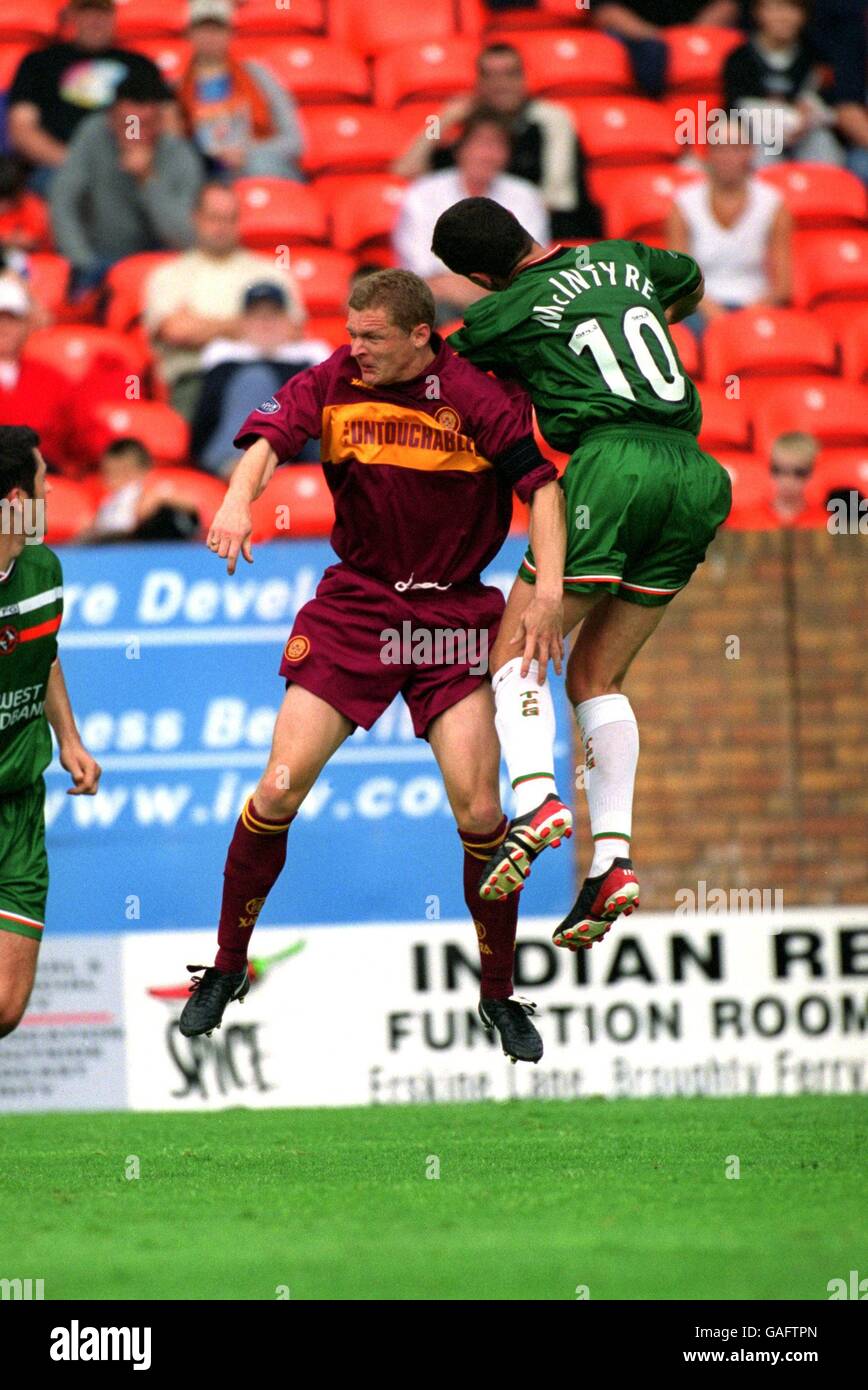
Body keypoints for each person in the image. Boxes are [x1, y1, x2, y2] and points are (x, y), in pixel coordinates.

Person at [177, 268, 566, 1065]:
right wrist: (236, 499)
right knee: (278, 786)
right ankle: (224, 967)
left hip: (454, 615)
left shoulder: (479, 398)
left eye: (373, 338)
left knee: (481, 813)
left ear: (423, 336)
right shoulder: (336, 378)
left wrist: (550, 590)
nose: (356, 349)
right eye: (352, 334)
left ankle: (498, 994)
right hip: (356, 607)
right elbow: (265, 440)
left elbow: (545, 491)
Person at [431, 198, 732, 949]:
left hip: (611, 466)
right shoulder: (627, 257)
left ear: (476, 275)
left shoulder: (506, 310)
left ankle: (534, 800)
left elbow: (440, 371)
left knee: (516, 651)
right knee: (596, 676)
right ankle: (615, 861)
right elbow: (689, 280)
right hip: (697, 474)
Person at [0, 425, 102, 1037]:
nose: (50, 492)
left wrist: (69, 738)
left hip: (18, 806)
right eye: (42, 482)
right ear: (16, 501)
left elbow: (45, 652)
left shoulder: (42, 568)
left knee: (6, 1008)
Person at [392, 42, 600, 241]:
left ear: (525, 77)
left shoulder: (552, 119)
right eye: (489, 76)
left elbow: (557, 200)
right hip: (473, 234)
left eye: (510, 74)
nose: (500, 84)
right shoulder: (468, 127)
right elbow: (407, 169)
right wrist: (444, 119)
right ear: (478, 82)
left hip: (541, 233)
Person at [144, 182, 305, 420]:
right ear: (195, 218)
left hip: (274, 375)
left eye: (230, 219)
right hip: (198, 381)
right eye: (214, 218)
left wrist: (203, 325)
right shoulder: (169, 274)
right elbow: (177, 331)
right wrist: (250, 326)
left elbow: (291, 331)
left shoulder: (270, 272)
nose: (222, 227)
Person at [50, 71, 203, 297]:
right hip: (100, 261)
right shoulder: (93, 134)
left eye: (145, 124)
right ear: (111, 117)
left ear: (159, 122)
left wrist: (147, 179)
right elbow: (63, 203)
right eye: (129, 124)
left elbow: (185, 236)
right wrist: (82, 260)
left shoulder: (178, 154)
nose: (134, 134)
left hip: (161, 265)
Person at [7, 0, 174, 197]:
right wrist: (76, 161)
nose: (95, 20)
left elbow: (164, 120)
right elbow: (22, 129)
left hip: (128, 161)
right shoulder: (40, 63)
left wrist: (136, 153)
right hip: (61, 165)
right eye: (87, 12)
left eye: (102, 13)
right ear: (72, 16)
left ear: (113, 16)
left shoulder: (137, 65)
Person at [394, 112, 549, 323]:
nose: (487, 154)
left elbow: (531, 266)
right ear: (460, 149)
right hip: (440, 304)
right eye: (480, 144)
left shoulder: (526, 195)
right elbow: (422, 272)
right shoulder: (423, 193)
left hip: (509, 303)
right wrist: (489, 294)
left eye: (497, 146)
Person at [191, 282, 331, 476]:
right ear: (242, 322)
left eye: (273, 315)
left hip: (299, 450)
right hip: (229, 450)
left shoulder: (312, 353)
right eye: (257, 316)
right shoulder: (222, 353)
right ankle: (250, 464)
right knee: (256, 379)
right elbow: (206, 415)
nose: (265, 323)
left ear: (288, 321)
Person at [666, 126, 791, 338]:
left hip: (756, 304)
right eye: (719, 148)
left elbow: (783, 286)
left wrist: (750, 314)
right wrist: (712, 311)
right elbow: (680, 279)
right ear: (708, 154)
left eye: (735, 148)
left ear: (750, 152)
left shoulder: (773, 203)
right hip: (700, 307)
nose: (727, 157)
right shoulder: (684, 203)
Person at [179, 0, 305, 180]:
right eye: (203, 28)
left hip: (259, 170)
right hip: (208, 178)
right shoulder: (177, 88)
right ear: (188, 33)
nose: (210, 36)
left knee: (260, 164)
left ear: (230, 33)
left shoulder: (257, 75)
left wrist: (247, 153)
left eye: (217, 28)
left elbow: (294, 141)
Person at [724, 0, 847, 166]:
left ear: (804, 15)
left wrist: (809, 113)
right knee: (756, 145)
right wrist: (785, 118)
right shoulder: (740, 58)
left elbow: (829, 106)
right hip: (758, 132)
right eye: (774, 9)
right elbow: (737, 106)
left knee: (823, 142)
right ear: (758, 12)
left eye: (791, 9)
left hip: (806, 132)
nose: (783, 17)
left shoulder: (815, 56)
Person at [0, 275, 76, 471]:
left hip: (47, 483)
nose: (4, 328)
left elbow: (82, 439)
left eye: (12, 320)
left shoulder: (52, 379)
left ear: (26, 325)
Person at [592, 1, 741, 98]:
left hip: (698, 33)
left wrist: (687, 38)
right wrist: (658, 37)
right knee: (652, 53)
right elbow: (605, 11)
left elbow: (728, 5)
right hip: (639, 37)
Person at [76, 437, 201, 543]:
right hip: (114, 547)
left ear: (143, 470)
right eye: (110, 473)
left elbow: (191, 505)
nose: (115, 479)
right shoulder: (107, 504)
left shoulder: (156, 491)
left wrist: (158, 499)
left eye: (124, 473)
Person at [729, 431, 829, 528]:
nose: (787, 481)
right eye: (778, 470)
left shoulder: (826, 522)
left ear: (811, 472)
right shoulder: (745, 520)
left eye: (798, 473)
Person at [0, 156, 52, 254]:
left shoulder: (32, 206)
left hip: (31, 260)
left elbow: (33, 240)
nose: (3, 206)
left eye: (8, 200)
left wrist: (14, 240)